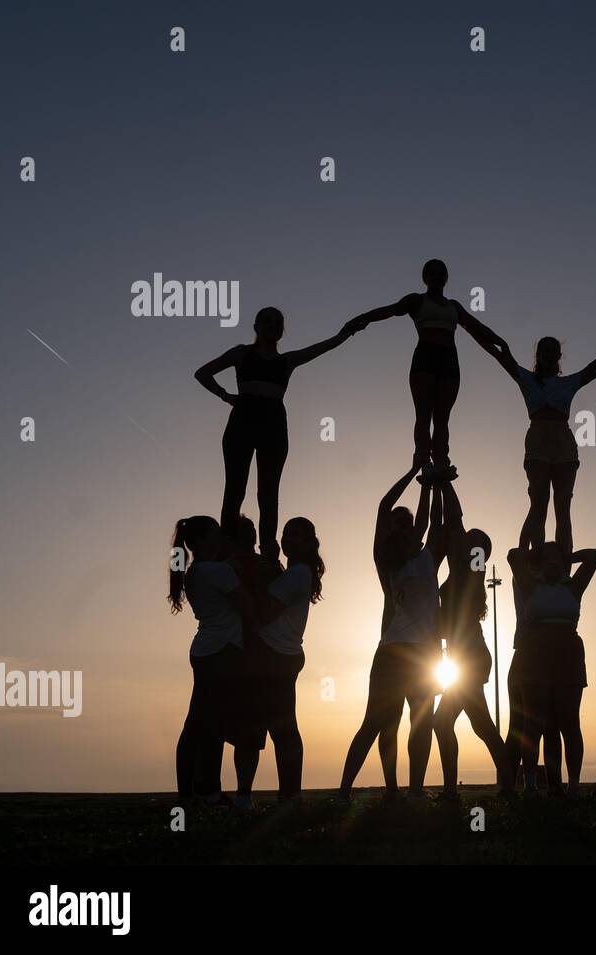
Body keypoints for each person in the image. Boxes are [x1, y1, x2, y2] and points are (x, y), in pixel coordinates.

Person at [195, 303, 386, 558]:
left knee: (268, 492)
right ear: (256, 327)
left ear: (282, 330)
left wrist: (345, 333)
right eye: (267, 321)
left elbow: (323, 347)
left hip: (273, 426)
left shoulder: (287, 361)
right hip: (242, 422)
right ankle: (227, 549)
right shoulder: (241, 354)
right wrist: (225, 396)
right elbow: (203, 373)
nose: (272, 326)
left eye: (277, 322)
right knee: (235, 488)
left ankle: (268, 552)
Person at [482, 329, 596, 554]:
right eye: (546, 350)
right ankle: (536, 562)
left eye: (554, 350)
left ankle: (563, 566)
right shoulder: (527, 379)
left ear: (559, 356)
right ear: (539, 355)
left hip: (564, 445)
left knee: (563, 508)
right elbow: (497, 353)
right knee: (539, 504)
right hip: (538, 442)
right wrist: (464, 321)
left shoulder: (569, 383)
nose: (550, 354)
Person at [338, 465, 444, 798]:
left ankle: (413, 789)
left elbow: (431, 521)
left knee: (421, 721)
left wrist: (430, 484)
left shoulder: (428, 556)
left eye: (407, 521)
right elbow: (385, 506)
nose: (402, 524)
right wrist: (414, 470)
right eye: (397, 523)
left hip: (424, 653)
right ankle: (348, 790)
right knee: (378, 722)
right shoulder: (387, 562)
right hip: (393, 650)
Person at [349, 259, 506, 475]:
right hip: (425, 358)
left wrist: (501, 341)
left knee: (442, 417)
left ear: (446, 278)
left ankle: (441, 459)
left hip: (449, 361)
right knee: (424, 414)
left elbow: (476, 326)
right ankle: (423, 459)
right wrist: (363, 318)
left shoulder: (454, 306)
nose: (437, 276)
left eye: (441, 273)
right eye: (432, 273)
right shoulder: (416, 300)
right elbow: (390, 310)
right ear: (425, 278)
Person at [432, 482, 513, 798]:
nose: (463, 540)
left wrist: (445, 483)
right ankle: (505, 786)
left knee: (467, 725)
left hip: (470, 657)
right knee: (478, 726)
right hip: (465, 656)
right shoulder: (465, 571)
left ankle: (467, 790)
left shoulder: (470, 570)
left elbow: (454, 521)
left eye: (471, 540)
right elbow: (452, 526)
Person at [169, 515, 255, 807]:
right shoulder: (219, 572)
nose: (222, 538)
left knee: (201, 722)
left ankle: (198, 791)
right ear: (202, 541)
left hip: (206, 650)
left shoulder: (195, 573)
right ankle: (205, 792)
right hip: (223, 651)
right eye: (216, 533)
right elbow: (247, 607)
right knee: (208, 724)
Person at [508, 541, 596, 793]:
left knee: (569, 721)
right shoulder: (529, 586)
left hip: (568, 654)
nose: (551, 562)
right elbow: (514, 556)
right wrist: (537, 556)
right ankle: (529, 785)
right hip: (534, 655)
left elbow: (594, 555)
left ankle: (572, 784)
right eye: (546, 558)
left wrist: (565, 558)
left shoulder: (572, 587)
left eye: (555, 558)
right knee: (533, 723)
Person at [250, 516, 325, 801]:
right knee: (282, 727)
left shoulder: (296, 575)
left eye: (297, 535)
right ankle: (289, 792)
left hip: (277, 655)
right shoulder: (294, 573)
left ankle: (290, 793)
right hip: (284, 653)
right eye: (286, 533)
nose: (289, 539)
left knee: (282, 729)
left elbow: (265, 612)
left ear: (308, 543)